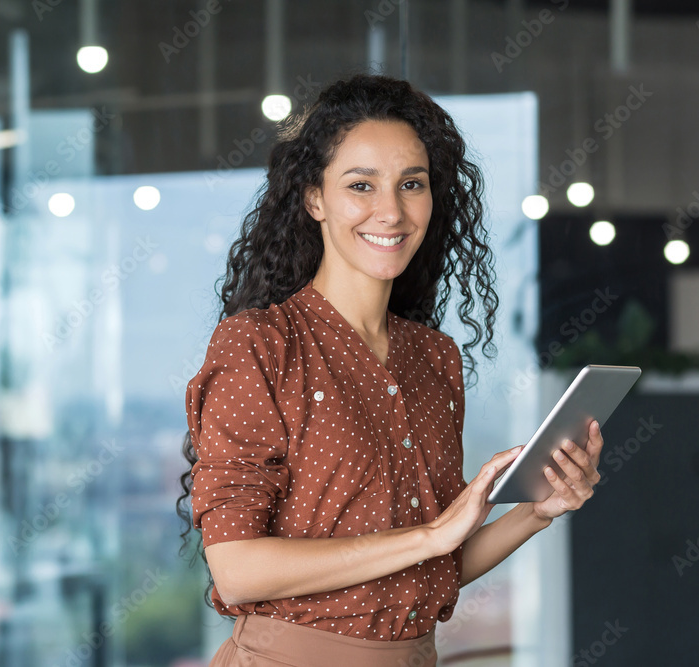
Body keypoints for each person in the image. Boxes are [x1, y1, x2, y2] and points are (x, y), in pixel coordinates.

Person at [176, 72, 605, 666]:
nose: (391, 211)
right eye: (361, 184)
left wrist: (535, 513)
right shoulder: (260, 345)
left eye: (412, 184)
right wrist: (430, 535)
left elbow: (436, 565)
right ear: (314, 198)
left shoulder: (434, 358)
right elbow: (238, 569)